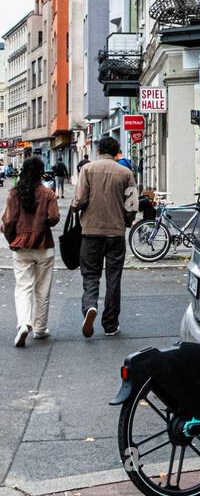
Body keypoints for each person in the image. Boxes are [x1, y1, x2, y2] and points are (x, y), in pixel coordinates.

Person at [72, 135, 138, 339]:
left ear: (99, 151)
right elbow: (132, 205)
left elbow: (80, 199)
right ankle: (110, 324)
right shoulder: (126, 172)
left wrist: (76, 207)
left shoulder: (88, 169)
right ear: (116, 152)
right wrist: (126, 221)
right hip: (115, 233)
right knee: (113, 278)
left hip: (91, 232)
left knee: (91, 274)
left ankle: (90, 307)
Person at [1, 156, 60, 346]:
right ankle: (40, 328)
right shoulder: (48, 193)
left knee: (23, 287)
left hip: (22, 248)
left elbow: (7, 222)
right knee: (42, 289)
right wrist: (41, 222)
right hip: (44, 247)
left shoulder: (14, 193)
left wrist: (13, 239)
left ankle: (24, 324)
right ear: (41, 173)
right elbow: (54, 218)